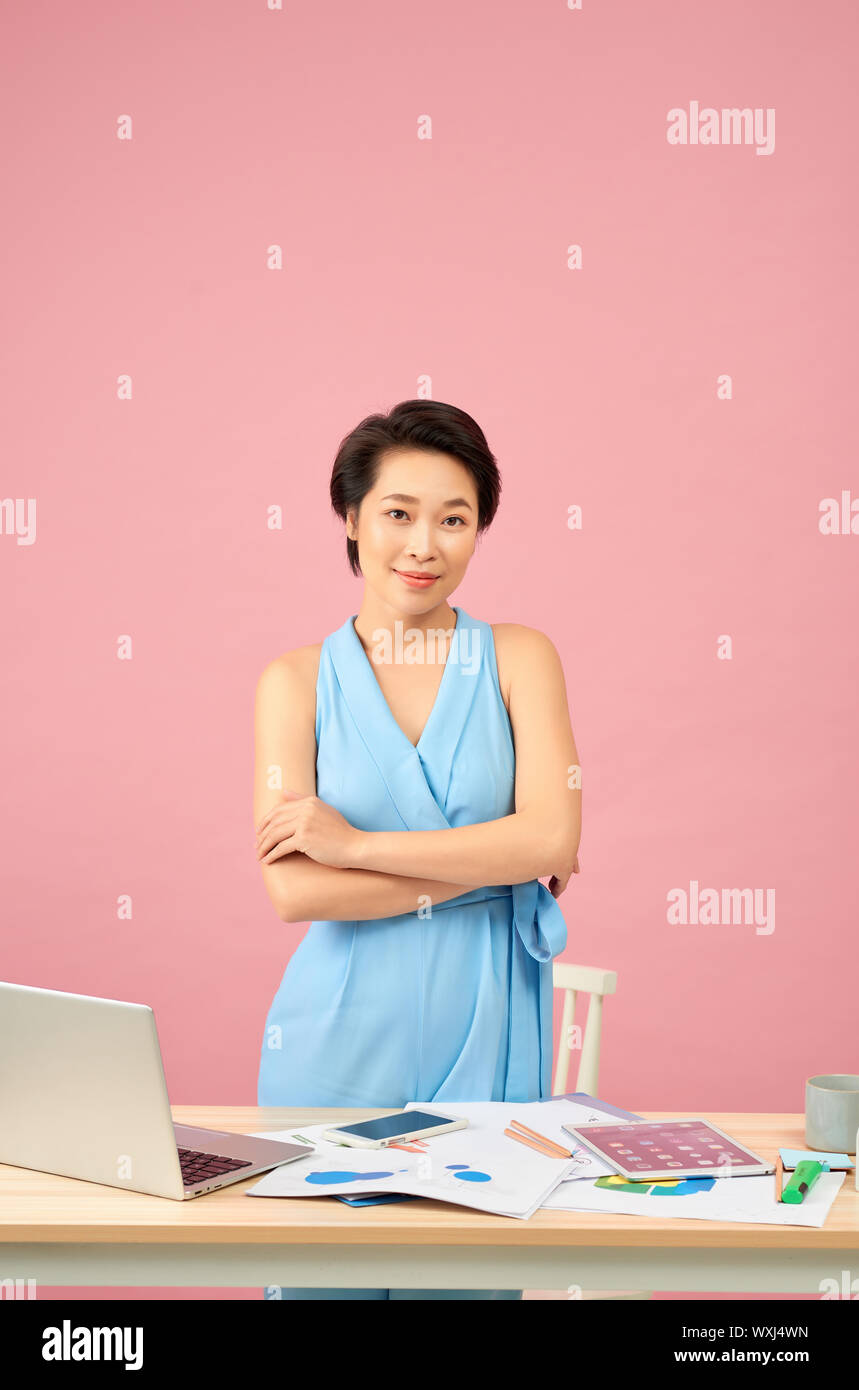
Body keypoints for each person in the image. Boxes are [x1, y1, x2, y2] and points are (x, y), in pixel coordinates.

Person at [253, 399, 581, 1299]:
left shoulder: (520, 657)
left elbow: (553, 836)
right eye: (397, 512)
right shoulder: (294, 681)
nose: (422, 544)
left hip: (490, 1030)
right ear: (350, 518)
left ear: (480, 532)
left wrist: (352, 845)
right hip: (333, 1044)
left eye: (454, 518)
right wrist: (489, 866)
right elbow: (296, 896)